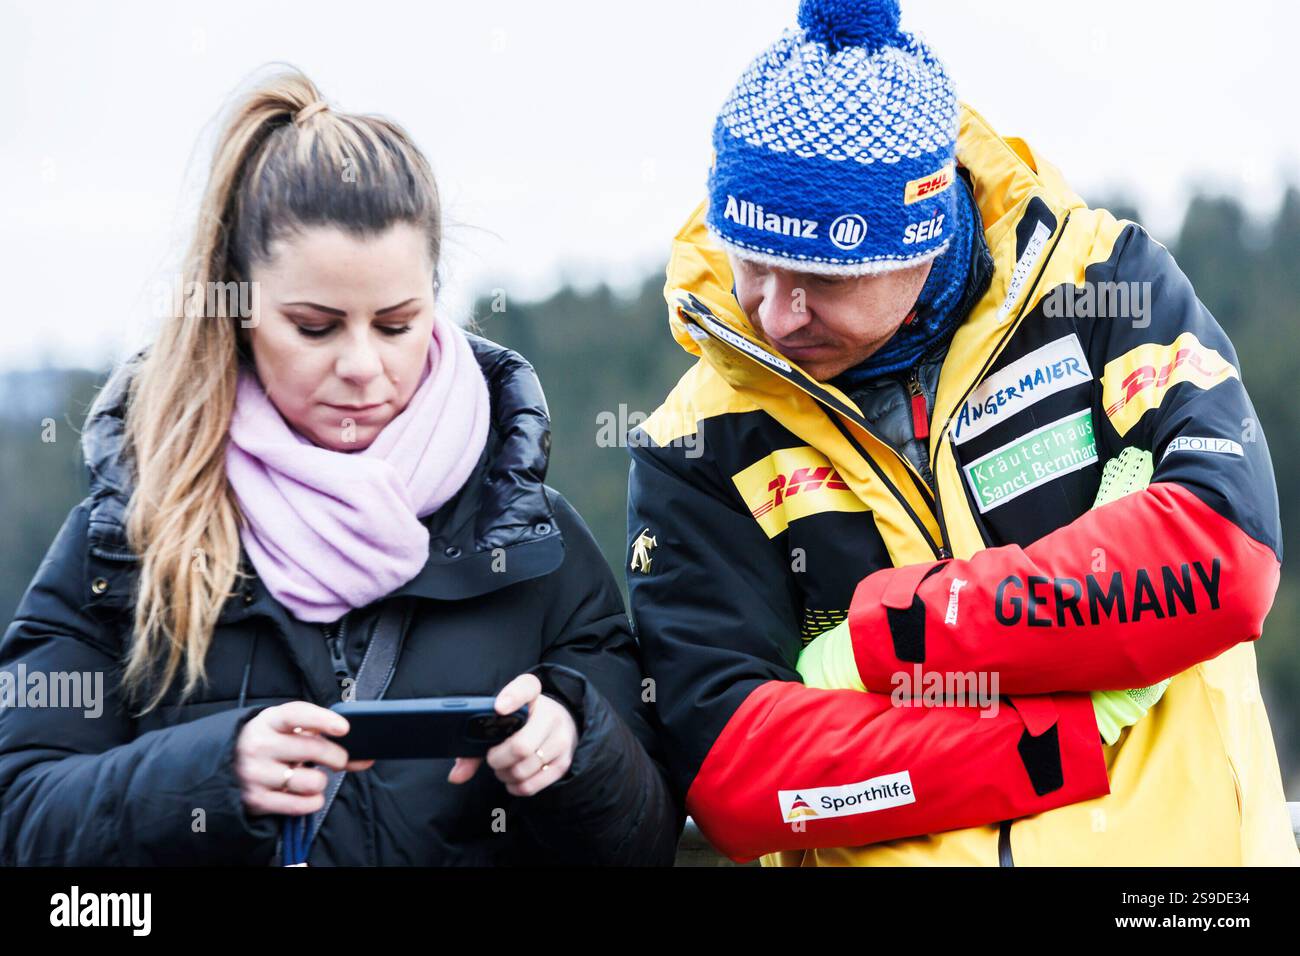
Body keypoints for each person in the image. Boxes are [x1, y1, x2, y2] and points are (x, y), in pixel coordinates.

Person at [626, 0, 1296, 866]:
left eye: (824, 277)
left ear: (926, 234)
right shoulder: (698, 436)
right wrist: (1051, 734)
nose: (775, 312)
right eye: (751, 262)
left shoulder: (1098, 286)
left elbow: (1225, 560)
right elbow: (741, 775)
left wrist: (889, 637)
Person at [0, 67, 679, 866]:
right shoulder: (129, 534)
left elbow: (646, 839)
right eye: (315, 327)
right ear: (238, 310)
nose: (363, 366)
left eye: (396, 325)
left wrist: (576, 746)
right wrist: (212, 777)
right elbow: (20, 814)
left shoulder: (531, 533)